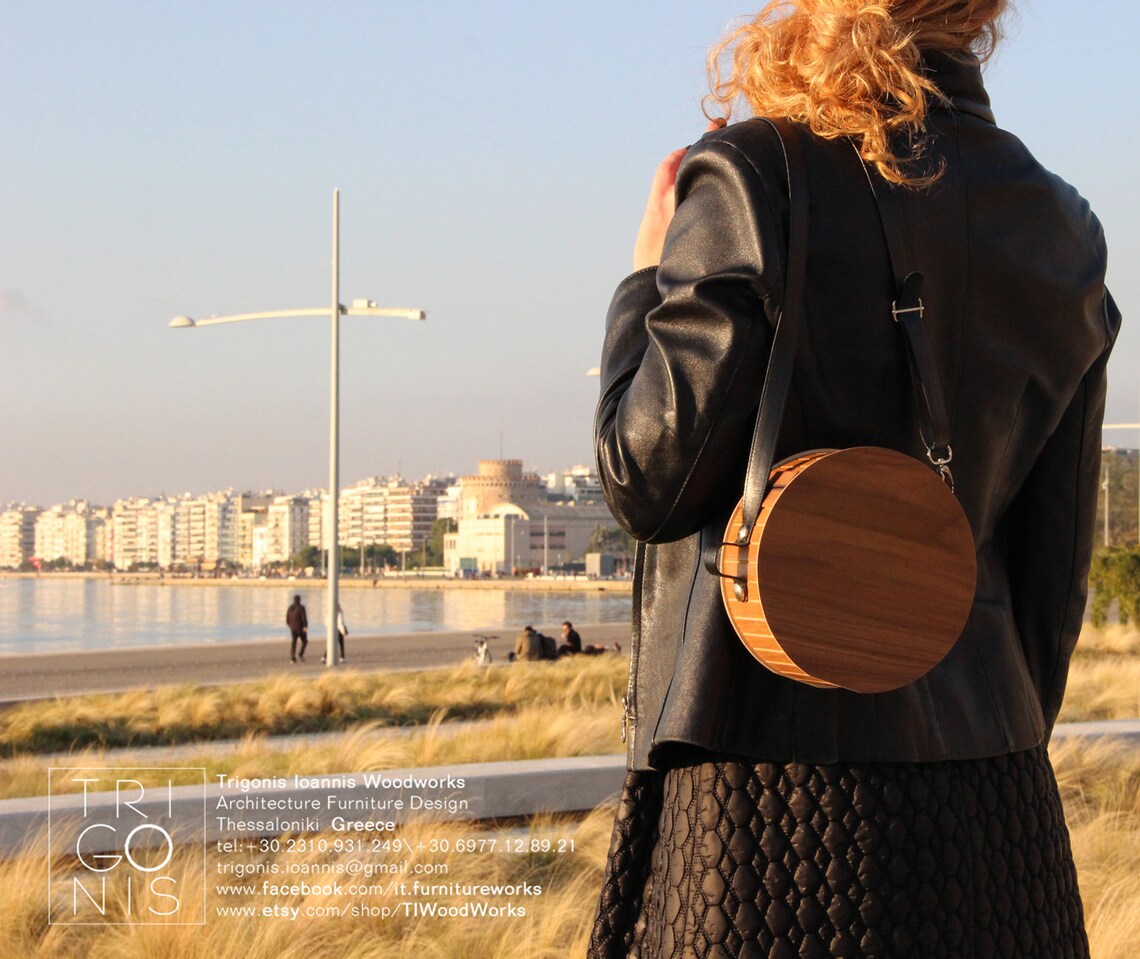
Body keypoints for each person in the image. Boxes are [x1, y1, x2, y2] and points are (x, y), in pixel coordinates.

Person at [588, 3, 1120, 957]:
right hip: (995, 813)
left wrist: (643, 282)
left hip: (762, 809)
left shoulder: (751, 176)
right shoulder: (1061, 228)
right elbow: (1052, 581)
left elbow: (647, 479)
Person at [285, 594, 307, 663]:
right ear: (299, 600)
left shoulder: (290, 608)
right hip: (300, 628)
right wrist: (305, 626)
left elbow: (287, 619)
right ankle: (300, 654)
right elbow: (303, 618)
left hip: (293, 628)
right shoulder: (301, 607)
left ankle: (292, 657)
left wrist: (290, 625)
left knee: (293, 643)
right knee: (304, 641)